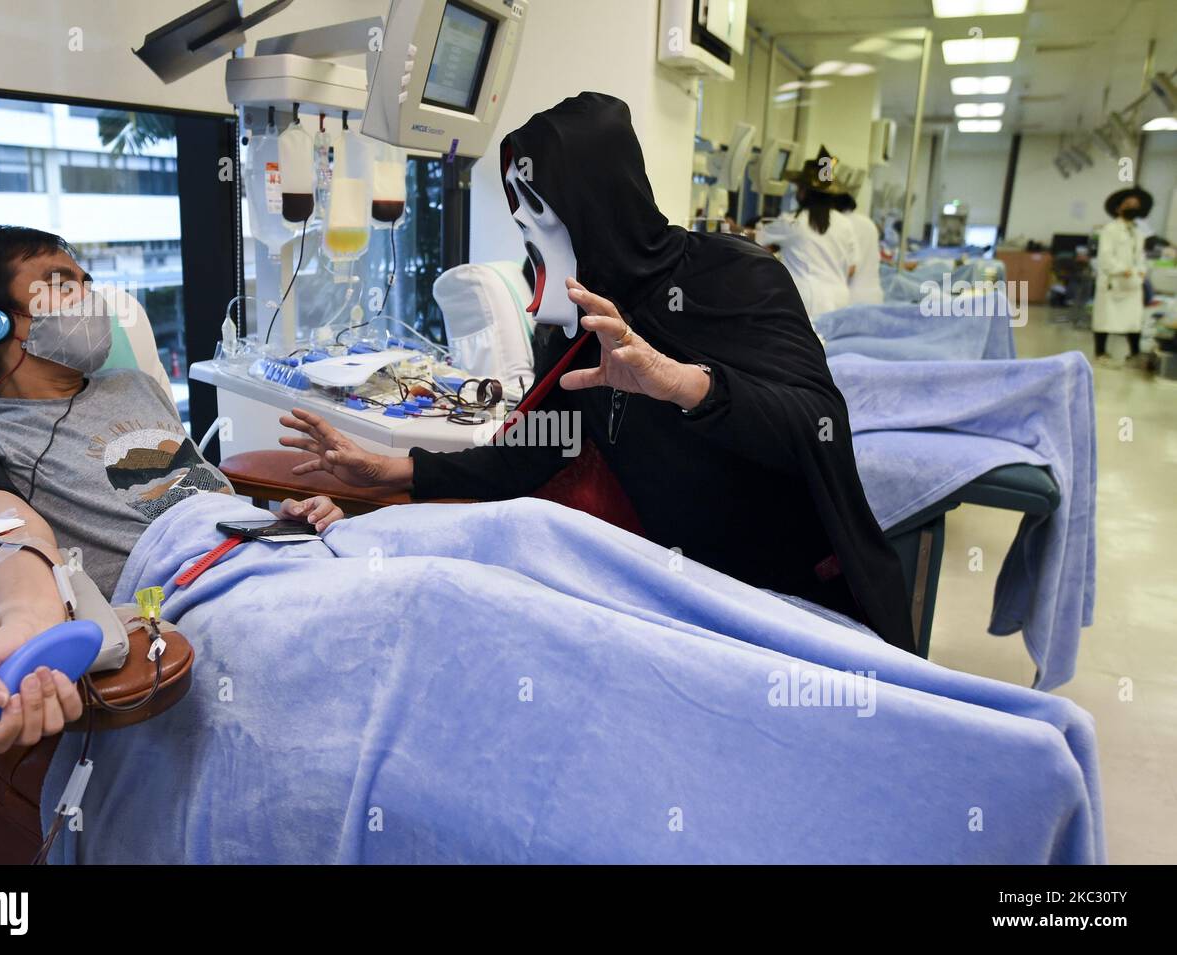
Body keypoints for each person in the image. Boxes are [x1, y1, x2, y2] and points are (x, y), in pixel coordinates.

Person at [282, 95, 914, 653]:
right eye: (522, 230)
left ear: (596, 211)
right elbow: (528, 453)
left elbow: (818, 424)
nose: (530, 248)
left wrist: (686, 385)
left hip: (787, 603)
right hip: (680, 599)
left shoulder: (735, 276)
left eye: (541, 224)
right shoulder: (580, 324)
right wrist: (394, 468)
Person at [0, 226, 346, 754]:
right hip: (205, 597)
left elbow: (198, 493)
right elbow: (0, 528)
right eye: (59, 285)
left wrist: (287, 516)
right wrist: (29, 616)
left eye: (84, 282)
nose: (87, 300)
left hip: (288, 551)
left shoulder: (134, 385)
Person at [753, 146, 859, 320]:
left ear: (805, 192)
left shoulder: (794, 222)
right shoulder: (845, 224)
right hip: (840, 299)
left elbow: (757, 241)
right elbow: (852, 269)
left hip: (807, 299)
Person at [1092, 187, 1151, 369]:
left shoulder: (1138, 232)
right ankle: (1100, 353)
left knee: (1134, 320)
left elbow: (1140, 256)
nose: (1132, 208)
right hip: (1113, 282)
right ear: (1118, 208)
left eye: (1136, 205)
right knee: (1105, 318)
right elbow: (1105, 258)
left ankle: (1134, 354)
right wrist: (1122, 269)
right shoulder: (1110, 230)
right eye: (1128, 205)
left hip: (1133, 283)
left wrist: (1141, 270)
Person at [833, 192, 884, 306]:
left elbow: (848, 268)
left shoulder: (840, 224)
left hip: (852, 297)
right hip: (874, 296)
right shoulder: (868, 222)